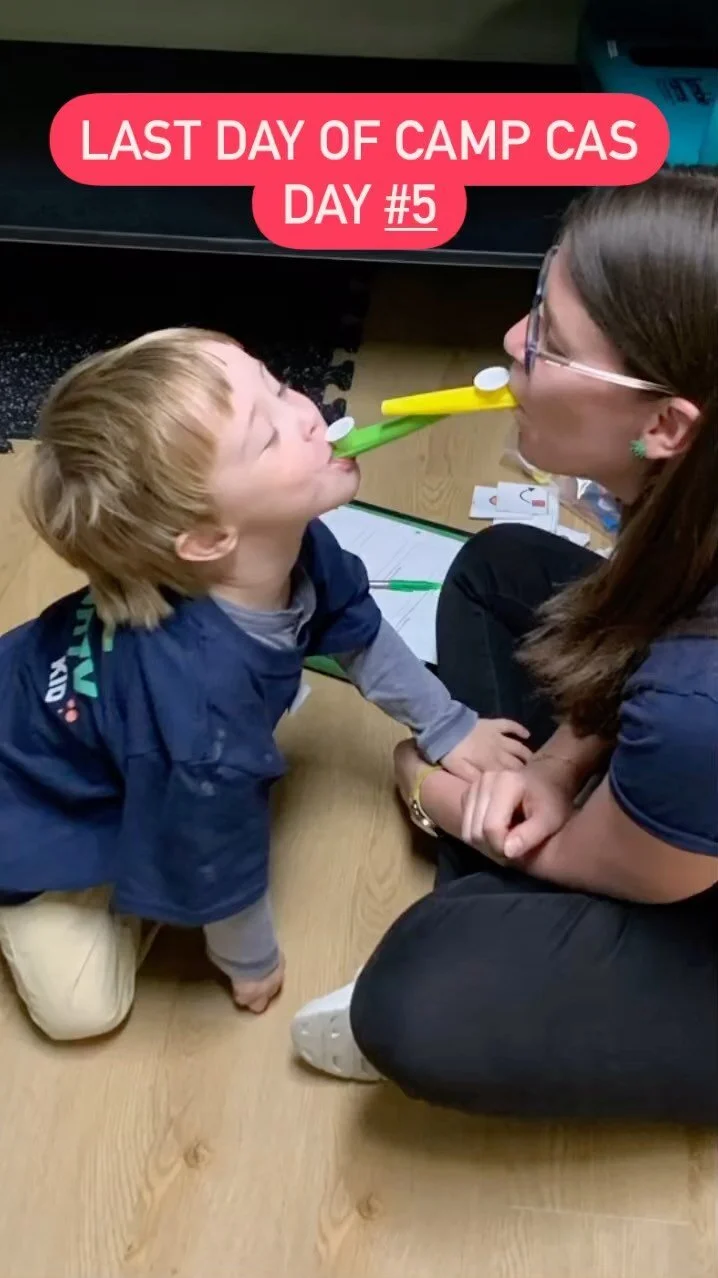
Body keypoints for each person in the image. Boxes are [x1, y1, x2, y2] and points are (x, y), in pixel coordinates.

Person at [291, 167, 718, 1124]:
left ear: (664, 425)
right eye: (537, 302)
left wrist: (431, 789)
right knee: (499, 569)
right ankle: (516, 932)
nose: (512, 341)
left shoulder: (701, 705)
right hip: (687, 771)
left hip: (685, 855)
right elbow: (649, 617)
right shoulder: (684, 497)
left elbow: (621, 859)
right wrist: (557, 767)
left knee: (414, 1002)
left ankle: (497, 940)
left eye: (551, 343)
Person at [0, 327, 531, 1042]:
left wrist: (447, 725)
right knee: (83, 1013)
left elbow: (360, 635)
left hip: (82, 723)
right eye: (268, 435)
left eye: (278, 386)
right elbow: (216, 854)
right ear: (208, 538)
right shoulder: (202, 715)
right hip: (32, 802)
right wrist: (245, 960)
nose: (308, 413)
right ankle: (88, 878)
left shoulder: (293, 543)